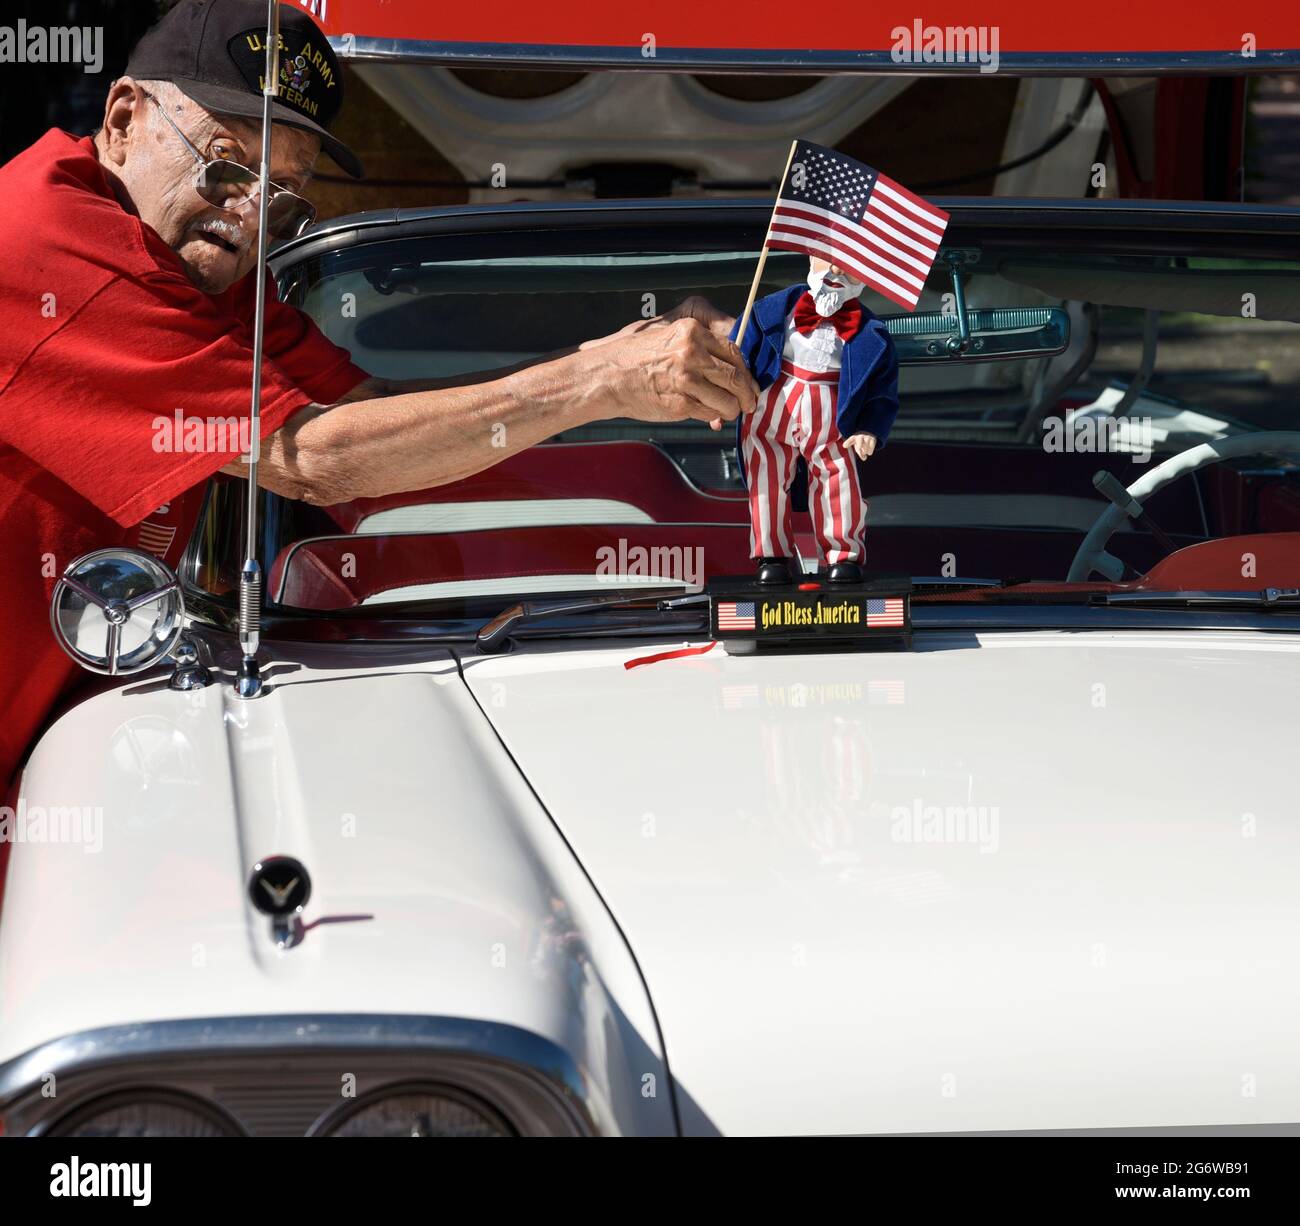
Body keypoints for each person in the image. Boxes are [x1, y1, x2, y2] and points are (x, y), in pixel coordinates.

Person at [0, 0, 756, 788]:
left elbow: (381, 414)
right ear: (124, 118)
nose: (249, 214)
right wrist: (596, 383)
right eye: (225, 166)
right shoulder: (49, 242)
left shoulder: (200, 275)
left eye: (283, 194)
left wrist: (617, 356)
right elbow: (311, 457)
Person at [731, 256, 899, 585]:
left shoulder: (872, 332)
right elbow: (736, 356)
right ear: (810, 256)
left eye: (852, 263)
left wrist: (869, 428)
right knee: (765, 476)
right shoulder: (769, 310)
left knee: (839, 479)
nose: (837, 270)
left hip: (832, 410)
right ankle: (772, 556)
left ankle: (842, 556)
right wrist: (719, 400)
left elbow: (883, 390)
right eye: (830, 259)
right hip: (771, 401)